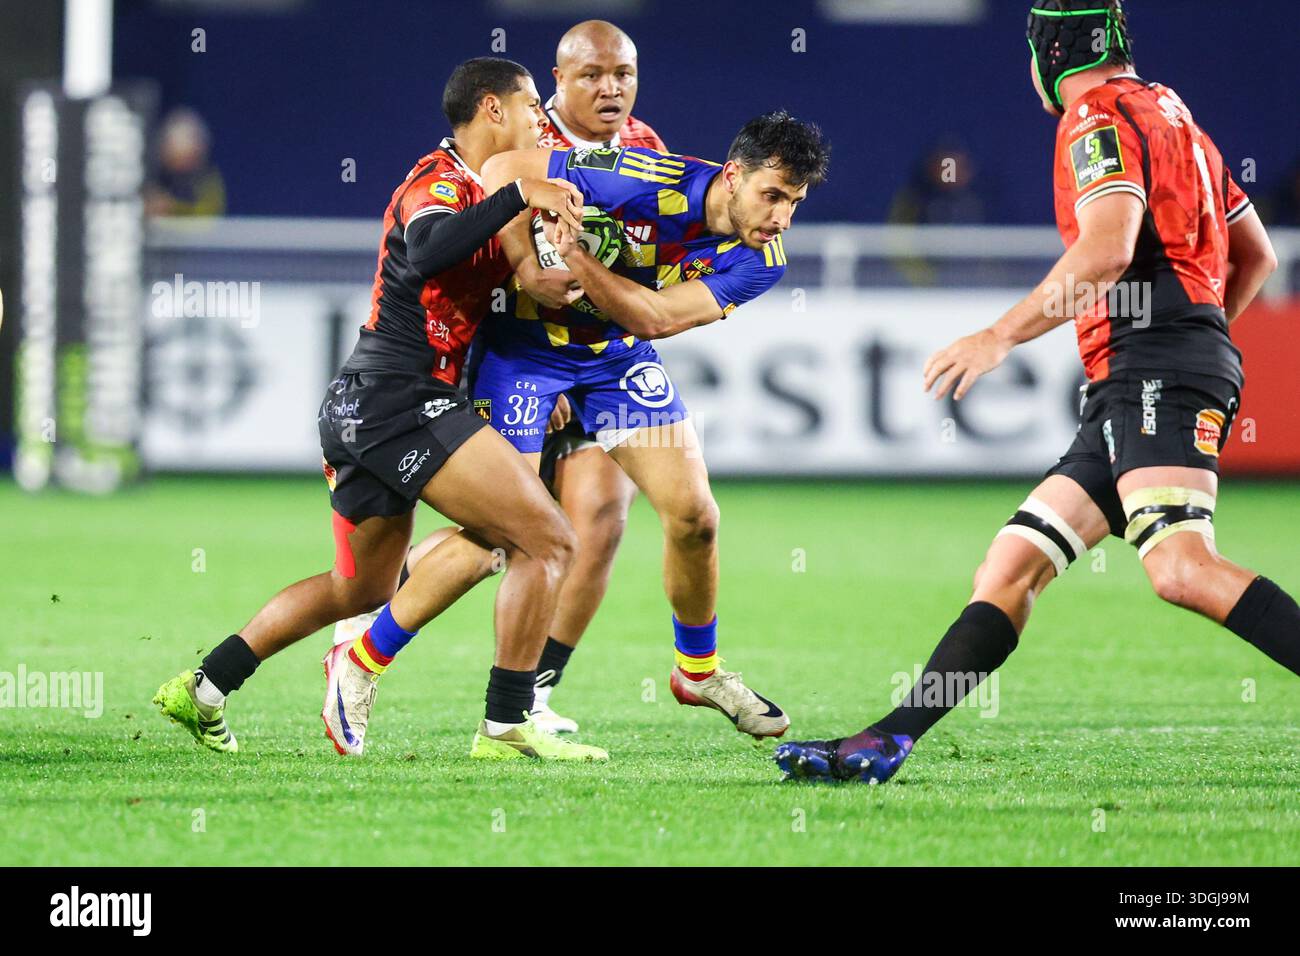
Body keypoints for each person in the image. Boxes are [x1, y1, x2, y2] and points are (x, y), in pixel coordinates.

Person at [776, 0, 1296, 784]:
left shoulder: (1094, 117)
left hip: (1152, 369)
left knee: (1181, 567)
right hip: (1148, 369)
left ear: (1051, 50)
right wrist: (1201, 331)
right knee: (1011, 567)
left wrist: (999, 337)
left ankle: (887, 740)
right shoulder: (1174, 115)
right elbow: (1255, 254)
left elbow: (1106, 252)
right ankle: (886, 741)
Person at [153, 57, 608, 763]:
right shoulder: (438, 180)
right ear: (492, 110)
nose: (539, 123)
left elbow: (473, 302)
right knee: (547, 540)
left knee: (357, 586)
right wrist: (522, 190)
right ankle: (506, 722)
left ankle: (206, 686)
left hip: (374, 406)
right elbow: (427, 250)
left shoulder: (485, 193)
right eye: (528, 109)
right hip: (402, 401)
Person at [331, 19, 668, 736]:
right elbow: (479, 275)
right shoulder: (510, 164)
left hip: (592, 370)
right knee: (507, 539)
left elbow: (652, 256)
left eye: (623, 74)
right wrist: (529, 360)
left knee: (596, 523)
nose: (610, 89)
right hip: (496, 373)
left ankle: (528, 696)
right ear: (555, 82)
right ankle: (375, 653)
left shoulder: (645, 150)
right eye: (592, 76)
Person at [466, 110, 830, 738]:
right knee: (505, 535)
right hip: (524, 353)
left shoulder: (763, 260)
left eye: (794, 203)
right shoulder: (634, 175)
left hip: (617, 361)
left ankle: (698, 669)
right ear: (733, 176)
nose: (781, 219)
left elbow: (655, 320)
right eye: (772, 196)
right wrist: (529, 262)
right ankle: (367, 636)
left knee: (696, 518)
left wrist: (576, 256)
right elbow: (500, 168)